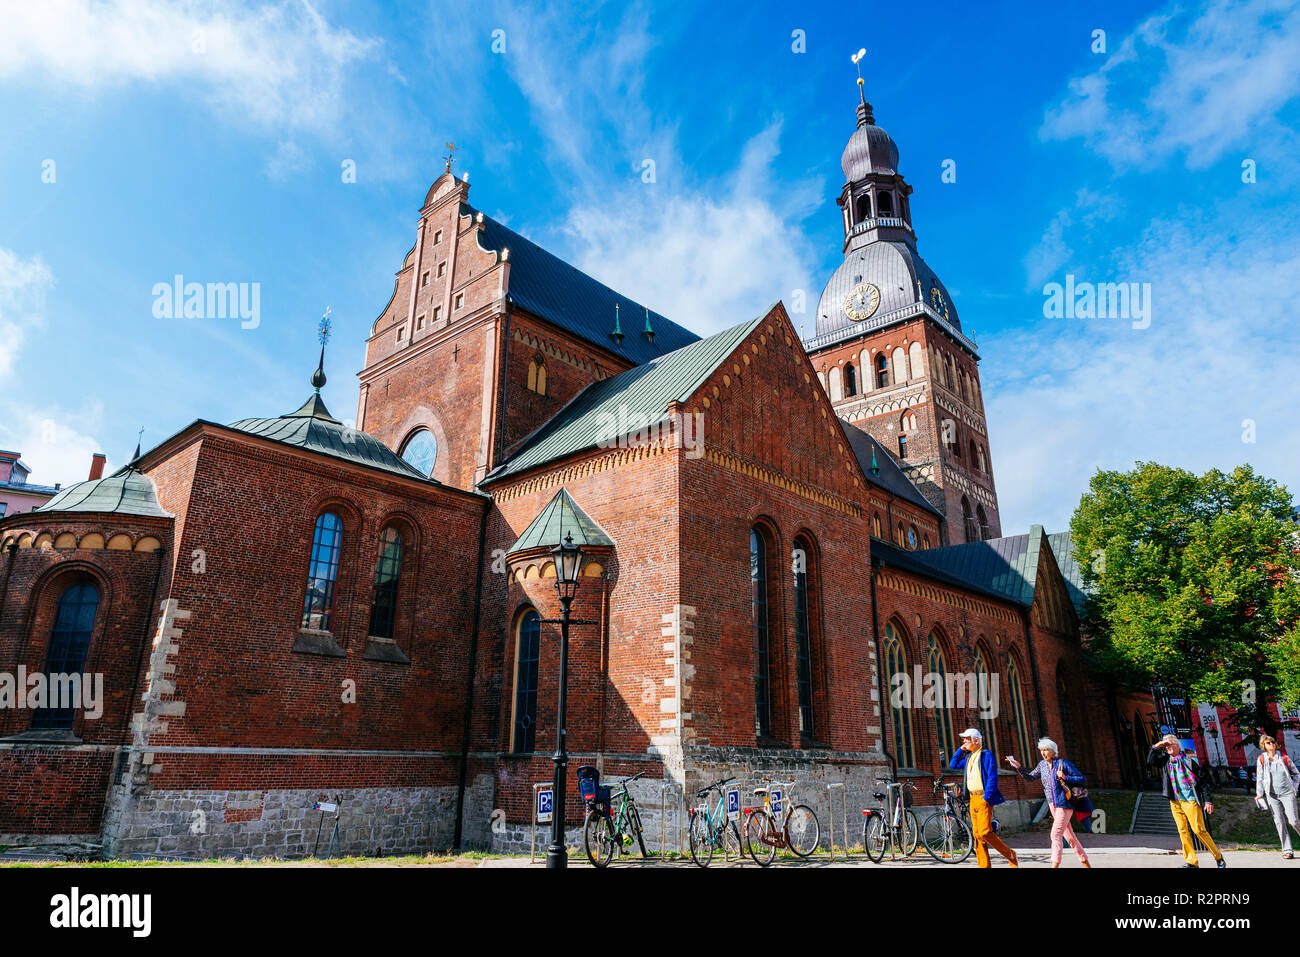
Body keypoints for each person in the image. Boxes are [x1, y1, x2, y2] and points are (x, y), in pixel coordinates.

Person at [1007, 737, 1091, 868]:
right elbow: (1030, 777)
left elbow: (1081, 779)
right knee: (1069, 837)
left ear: (1053, 751)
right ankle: (1086, 864)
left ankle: (1054, 865)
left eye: (1046, 750)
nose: (1043, 753)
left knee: (1055, 834)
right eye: (1041, 750)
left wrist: (1065, 777)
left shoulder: (1063, 764)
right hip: (1052, 804)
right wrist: (1019, 768)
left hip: (1064, 804)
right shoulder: (1042, 765)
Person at [1147, 734, 1225, 868]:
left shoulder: (1189, 761)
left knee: (1199, 830)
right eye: (1166, 746)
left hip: (1190, 800)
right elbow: (1150, 761)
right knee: (1182, 831)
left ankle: (1218, 857)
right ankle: (1191, 861)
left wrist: (1208, 801)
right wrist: (1157, 746)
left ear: (1177, 746)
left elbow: (1203, 782)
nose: (1167, 748)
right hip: (1175, 801)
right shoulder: (1166, 760)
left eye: (1170, 745)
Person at [950, 728, 1018, 868]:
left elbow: (992, 777)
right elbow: (953, 764)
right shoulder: (968, 757)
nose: (964, 741)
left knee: (985, 832)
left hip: (983, 798)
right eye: (964, 739)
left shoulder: (985, 755)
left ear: (976, 741)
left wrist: (986, 798)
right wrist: (961, 749)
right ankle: (984, 865)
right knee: (977, 835)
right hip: (972, 799)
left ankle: (1010, 854)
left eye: (967, 739)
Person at [1254, 735, 1300, 859]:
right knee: (1279, 822)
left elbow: (1297, 774)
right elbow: (1260, 777)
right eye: (1268, 743)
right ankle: (1287, 850)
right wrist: (1259, 794)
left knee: (1293, 821)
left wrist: (1294, 788)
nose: (1272, 744)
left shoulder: (1284, 758)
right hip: (1272, 795)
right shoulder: (1261, 759)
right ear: (1264, 745)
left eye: (1273, 742)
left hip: (1287, 793)